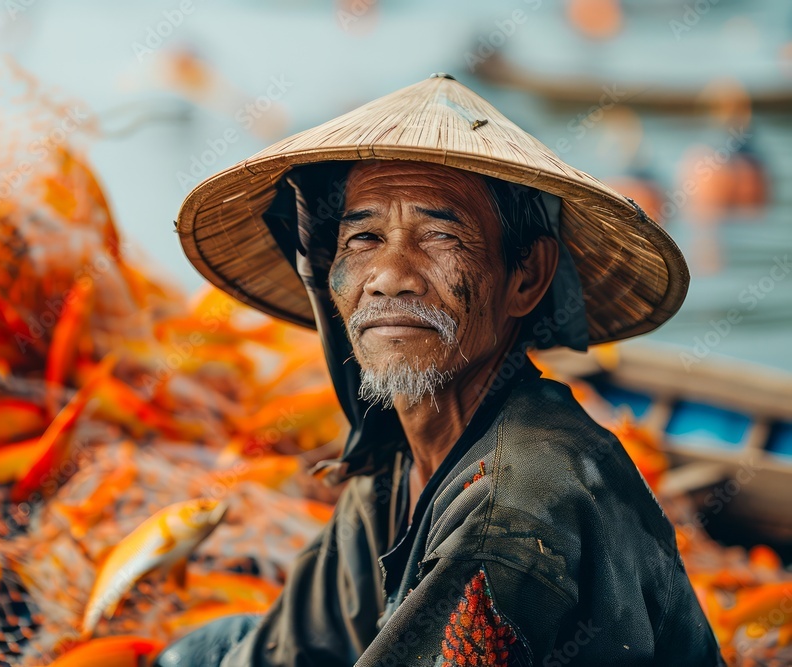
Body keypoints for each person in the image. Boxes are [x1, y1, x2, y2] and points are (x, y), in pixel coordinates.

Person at [159, 74, 724, 666]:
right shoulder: (395, 470)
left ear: (525, 276)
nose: (389, 275)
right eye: (364, 238)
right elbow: (291, 648)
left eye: (439, 234)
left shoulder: (513, 511)